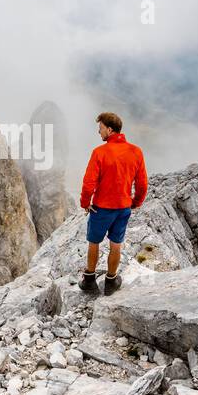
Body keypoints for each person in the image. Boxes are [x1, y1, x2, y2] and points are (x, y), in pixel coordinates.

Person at [79, 111, 147, 296]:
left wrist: (86, 202)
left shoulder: (100, 153)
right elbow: (142, 184)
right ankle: (111, 281)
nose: (98, 132)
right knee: (116, 244)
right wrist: (135, 202)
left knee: (94, 242)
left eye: (100, 128)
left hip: (101, 207)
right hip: (123, 207)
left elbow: (89, 183)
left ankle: (89, 280)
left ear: (109, 129)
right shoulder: (136, 152)